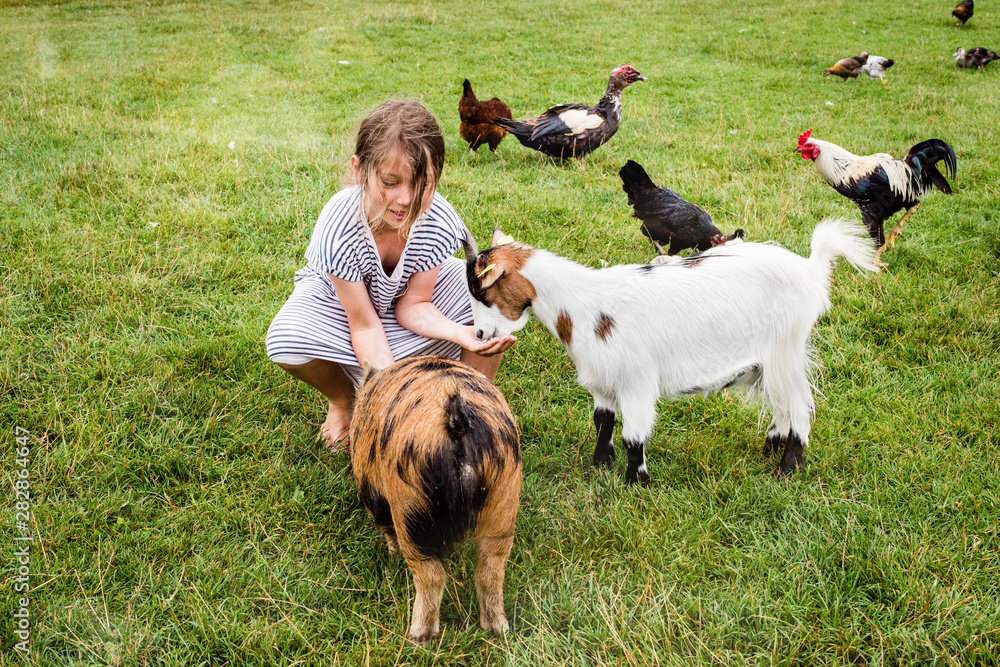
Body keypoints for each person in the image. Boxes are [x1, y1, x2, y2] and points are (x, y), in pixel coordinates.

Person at [266, 99, 515, 448]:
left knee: (494, 297)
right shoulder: (340, 224)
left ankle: (473, 409)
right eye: (390, 182)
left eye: (422, 184)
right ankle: (345, 400)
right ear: (358, 169)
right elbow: (364, 325)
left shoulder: (438, 219)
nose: (405, 200)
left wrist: (462, 334)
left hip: (404, 308)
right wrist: (391, 393)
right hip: (348, 310)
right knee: (286, 341)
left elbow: (415, 304)